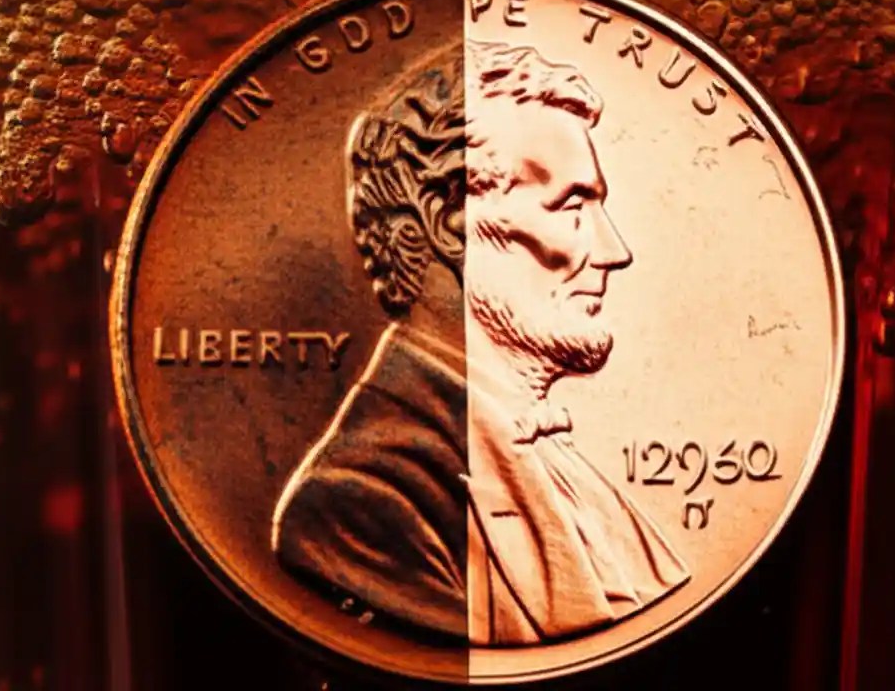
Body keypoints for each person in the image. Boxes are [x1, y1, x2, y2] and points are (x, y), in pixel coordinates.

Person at [271, 39, 688, 646]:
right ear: (448, 224)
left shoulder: (563, 466)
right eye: (573, 206)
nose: (614, 251)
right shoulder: (356, 505)